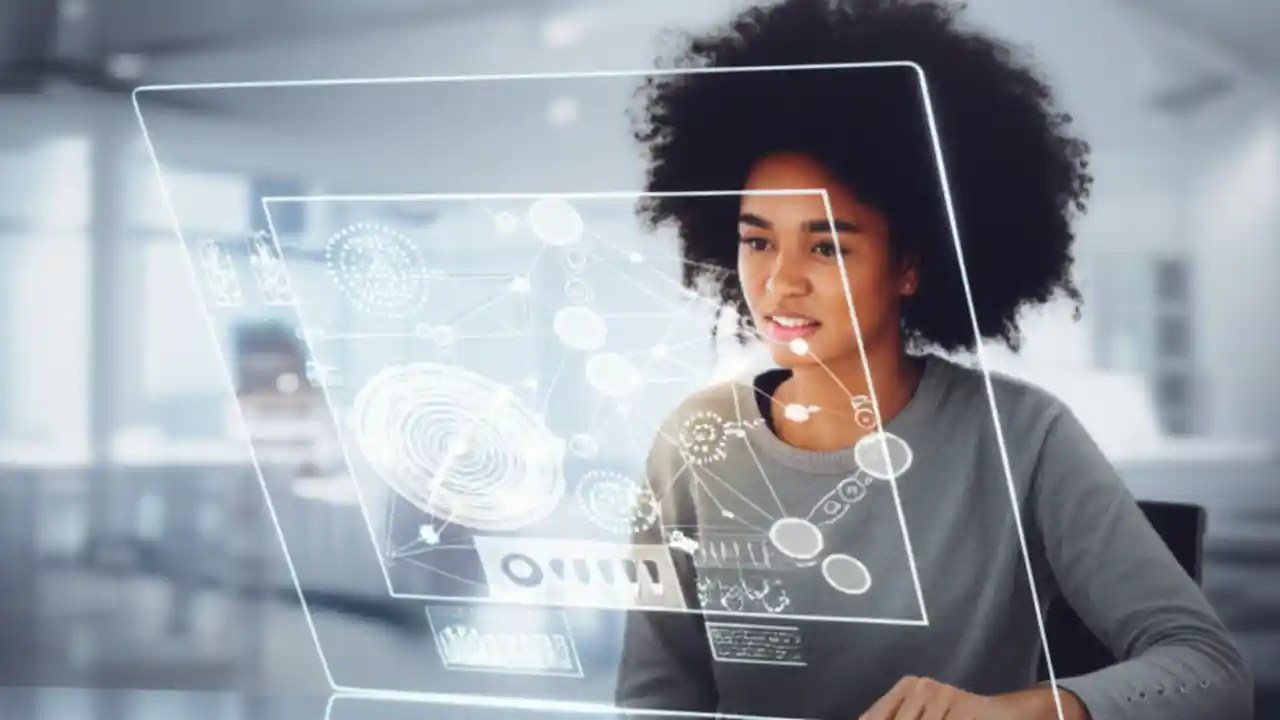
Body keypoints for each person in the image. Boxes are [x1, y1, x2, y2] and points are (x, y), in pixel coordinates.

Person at [615, 1, 1254, 718]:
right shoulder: (692, 445)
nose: (780, 281)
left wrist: (1017, 711)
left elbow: (1211, 670)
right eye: (758, 240)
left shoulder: (1022, 437)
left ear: (910, 266)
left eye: (827, 246)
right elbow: (653, 693)